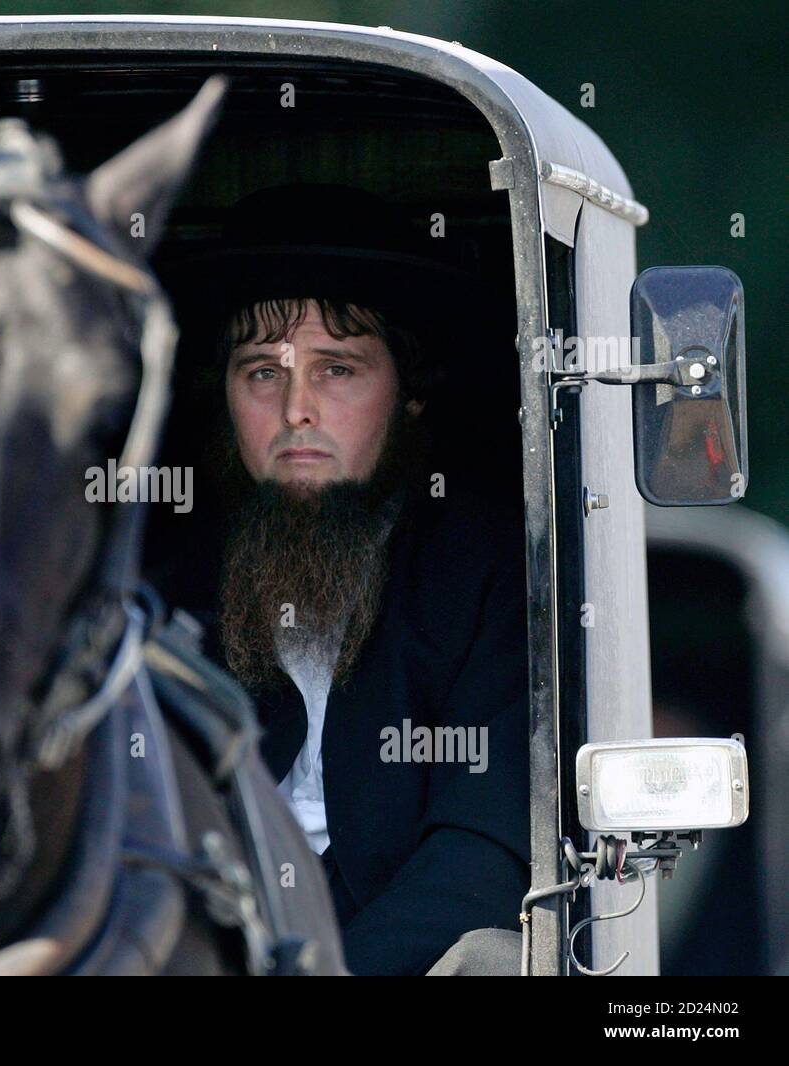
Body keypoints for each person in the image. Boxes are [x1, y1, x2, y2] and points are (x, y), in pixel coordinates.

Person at [156, 185, 529, 974]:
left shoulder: (488, 566)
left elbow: (484, 852)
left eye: (337, 370)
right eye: (263, 372)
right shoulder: (163, 580)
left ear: (409, 393)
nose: (297, 409)